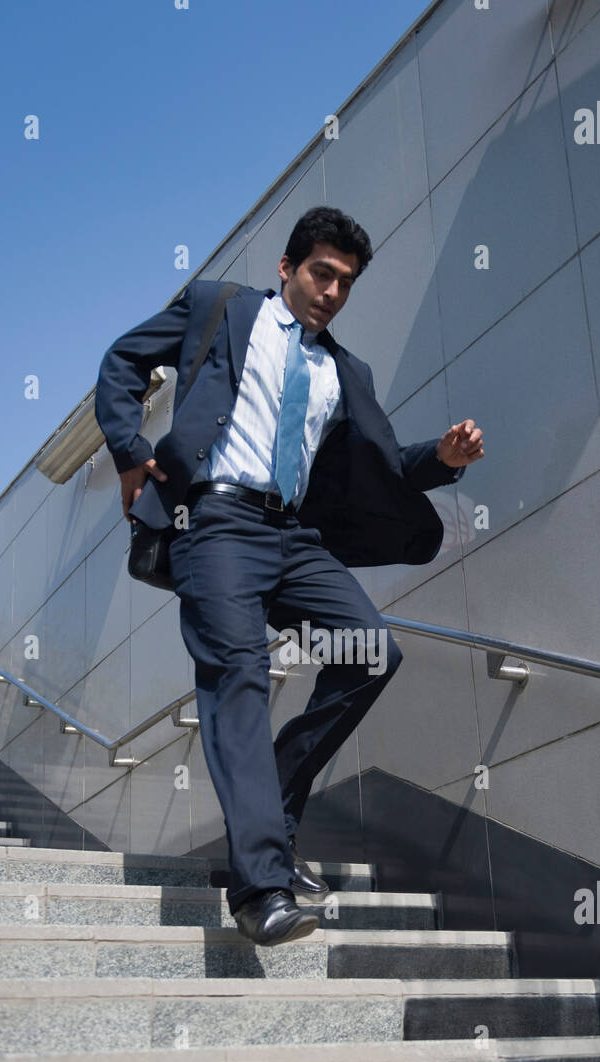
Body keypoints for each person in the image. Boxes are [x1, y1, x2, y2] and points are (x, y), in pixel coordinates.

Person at [95, 207, 483, 946]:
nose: (332, 291)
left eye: (346, 282)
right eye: (321, 273)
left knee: (371, 651)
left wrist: (443, 459)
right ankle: (262, 886)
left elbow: (380, 468)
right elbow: (123, 360)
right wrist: (126, 450)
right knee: (238, 677)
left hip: (294, 535)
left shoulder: (344, 372)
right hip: (213, 521)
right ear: (287, 268)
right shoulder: (222, 308)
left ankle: (266, 819)